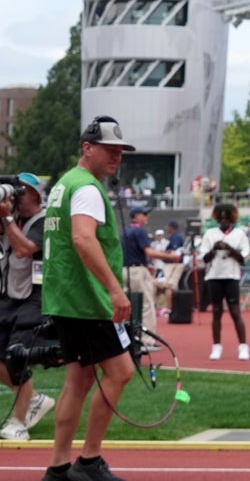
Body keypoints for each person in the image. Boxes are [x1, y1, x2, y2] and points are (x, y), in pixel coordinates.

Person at [41, 116, 138, 481]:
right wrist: (114, 290)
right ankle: (89, 461)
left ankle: (58, 467)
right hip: (87, 302)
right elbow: (83, 238)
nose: (116, 157)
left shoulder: (64, 184)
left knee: (78, 381)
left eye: (120, 151)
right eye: (109, 150)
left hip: (66, 299)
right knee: (121, 371)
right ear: (87, 148)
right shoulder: (86, 189)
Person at [0, 172, 56, 441]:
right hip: (9, 295)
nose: (16, 196)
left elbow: (24, 249)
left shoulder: (43, 219)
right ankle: (33, 398)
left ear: (34, 194)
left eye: (21, 191)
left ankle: (19, 423)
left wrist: (7, 218)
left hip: (35, 295)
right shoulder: (14, 217)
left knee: (16, 355)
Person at [198, 202, 250, 361]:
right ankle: (216, 347)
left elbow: (243, 258)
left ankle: (243, 346)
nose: (223, 221)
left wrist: (228, 247)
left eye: (226, 218)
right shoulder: (210, 233)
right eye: (221, 218)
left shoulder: (240, 234)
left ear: (231, 218)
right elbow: (205, 258)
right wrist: (215, 248)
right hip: (214, 276)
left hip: (231, 276)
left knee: (235, 312)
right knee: (216, 312)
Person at [119, 205, 180, 336]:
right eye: (144, 214)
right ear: (137, 216)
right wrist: (171, 256)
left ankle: (129, 337)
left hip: (124, 270)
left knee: (128, 306)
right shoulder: (139, 231)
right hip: (137, 271)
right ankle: (147, 339)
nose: (147, 216)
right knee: (146, 305)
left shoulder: (125, 230)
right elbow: (149, 252)